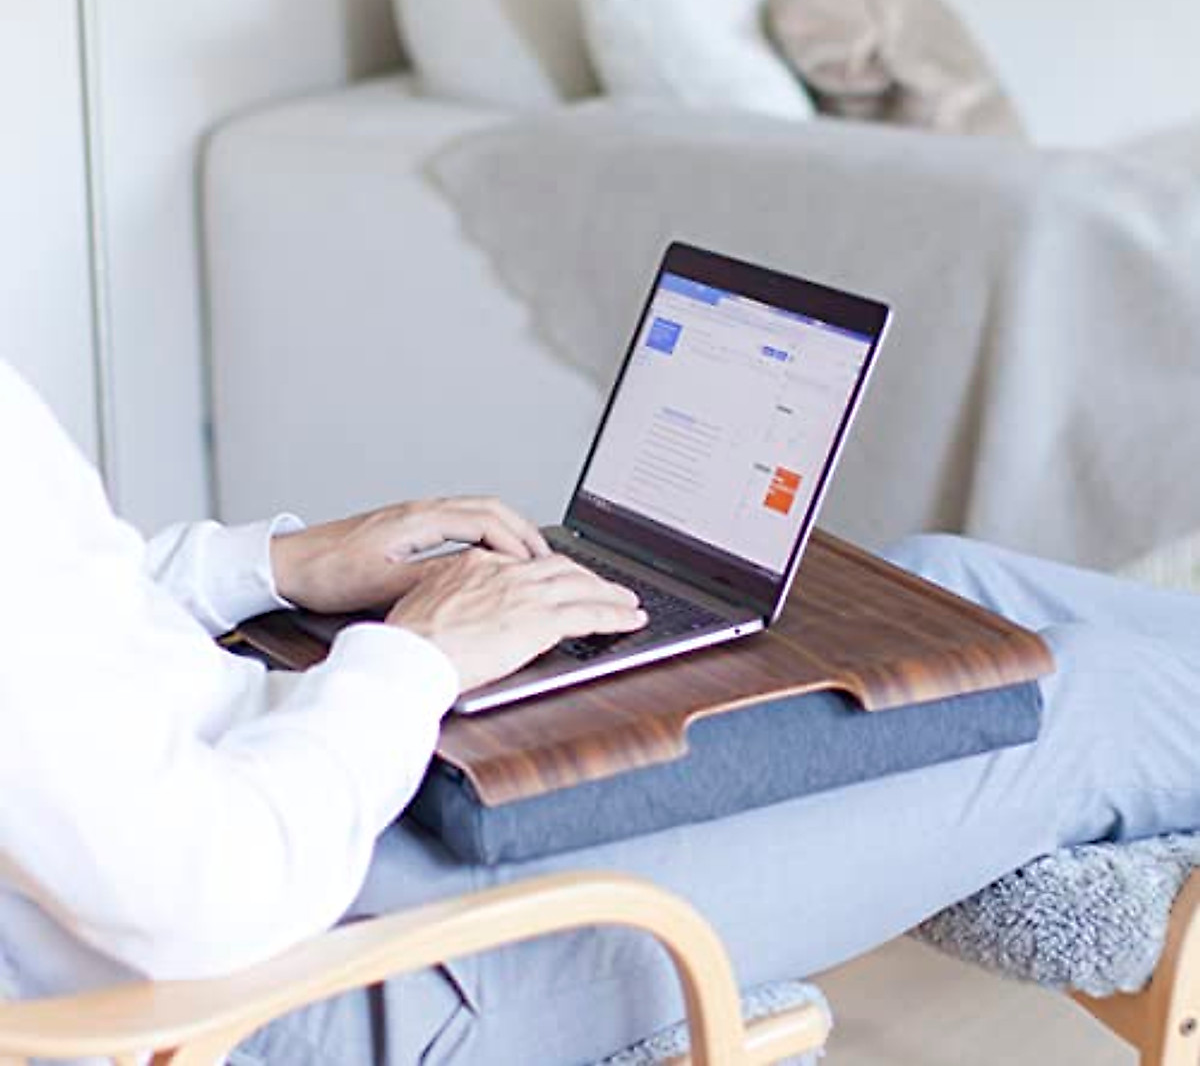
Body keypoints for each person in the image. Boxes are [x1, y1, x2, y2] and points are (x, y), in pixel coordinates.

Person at [2, 355, 1198, 1066]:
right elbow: (197, 899)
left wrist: (275, 566)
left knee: (935, 592)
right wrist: (414, 658)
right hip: (330, 980)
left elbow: (69, 611)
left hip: (327, 803)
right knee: (1076, 701)